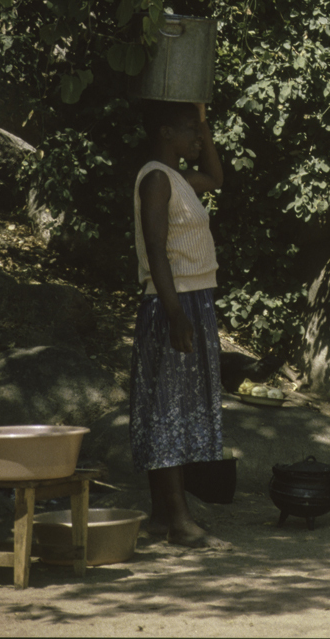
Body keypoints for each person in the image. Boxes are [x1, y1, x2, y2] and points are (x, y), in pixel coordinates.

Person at [130, 98, 230, 548]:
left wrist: (205, 124)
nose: (196, 137)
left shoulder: (178, 180)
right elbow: (156, 251)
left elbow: (216, 177)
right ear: (166, 133)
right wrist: (175, 315)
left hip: (193, 298)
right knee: (169, 410)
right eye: (189, 129)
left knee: (171, 407)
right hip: (174, 303)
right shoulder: (155, 178)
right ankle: (180, 523)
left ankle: (160, 516)